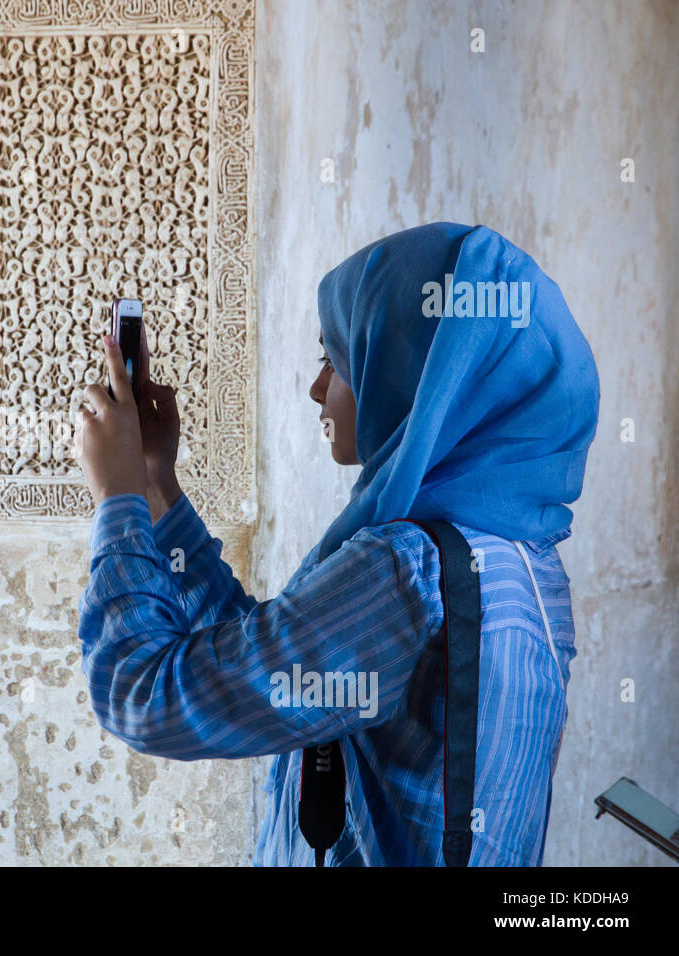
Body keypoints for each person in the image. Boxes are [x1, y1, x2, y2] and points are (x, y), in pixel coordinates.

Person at [72, 222, 600, 865]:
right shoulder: (524, 563)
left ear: (414, 376)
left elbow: (143, 693)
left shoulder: (409, 574)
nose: (318, 388)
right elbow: (265, 658)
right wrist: (157, 483)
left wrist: (118, 500)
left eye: (338, 358)